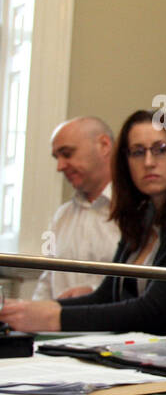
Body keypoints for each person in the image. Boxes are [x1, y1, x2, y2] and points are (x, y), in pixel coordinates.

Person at [1, 111, 166, 333]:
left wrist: (55, 318)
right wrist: (28, 310)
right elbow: (107, 295)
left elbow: (152, 311)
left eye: (160, 149)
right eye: (137, 152)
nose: (148, 162)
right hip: (148, 356)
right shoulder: (144, 214)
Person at [32, 116, 121, 300]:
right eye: (57, 157)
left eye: (67, 153)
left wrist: (95, 293)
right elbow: (47, 281)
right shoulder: (62, 216)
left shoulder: (139, 210)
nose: (60, 166)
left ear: (104, 145)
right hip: (58, 327)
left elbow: (146, 287)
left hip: (118, 326)